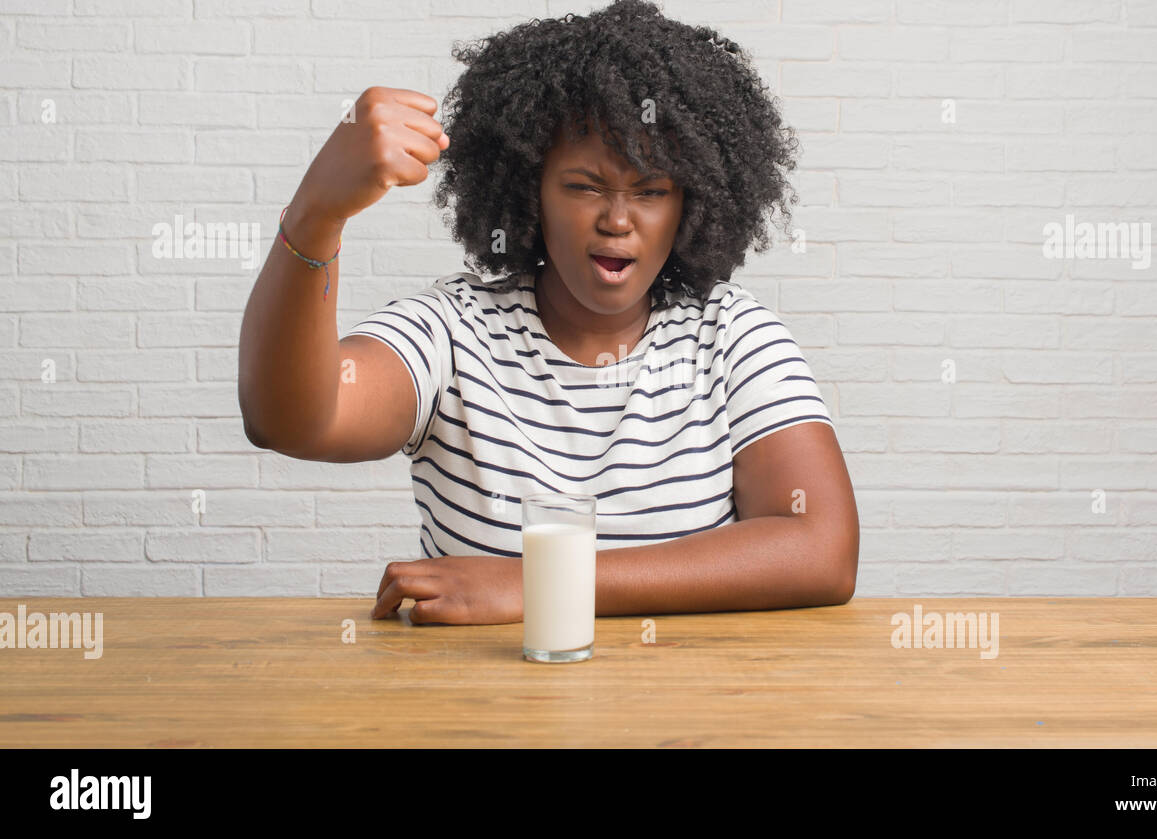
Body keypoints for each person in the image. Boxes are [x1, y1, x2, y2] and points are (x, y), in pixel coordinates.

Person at [238, 0, 858, 626]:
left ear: (690, 205)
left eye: (651, 192)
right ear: (528, 190)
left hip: (687, 718)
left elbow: (822, 549)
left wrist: (543, 584)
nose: (617, 220)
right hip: (481, 715)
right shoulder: (454, 334)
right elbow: (292, 422)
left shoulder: (730, 335)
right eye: (585, 186)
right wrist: (317, 216)